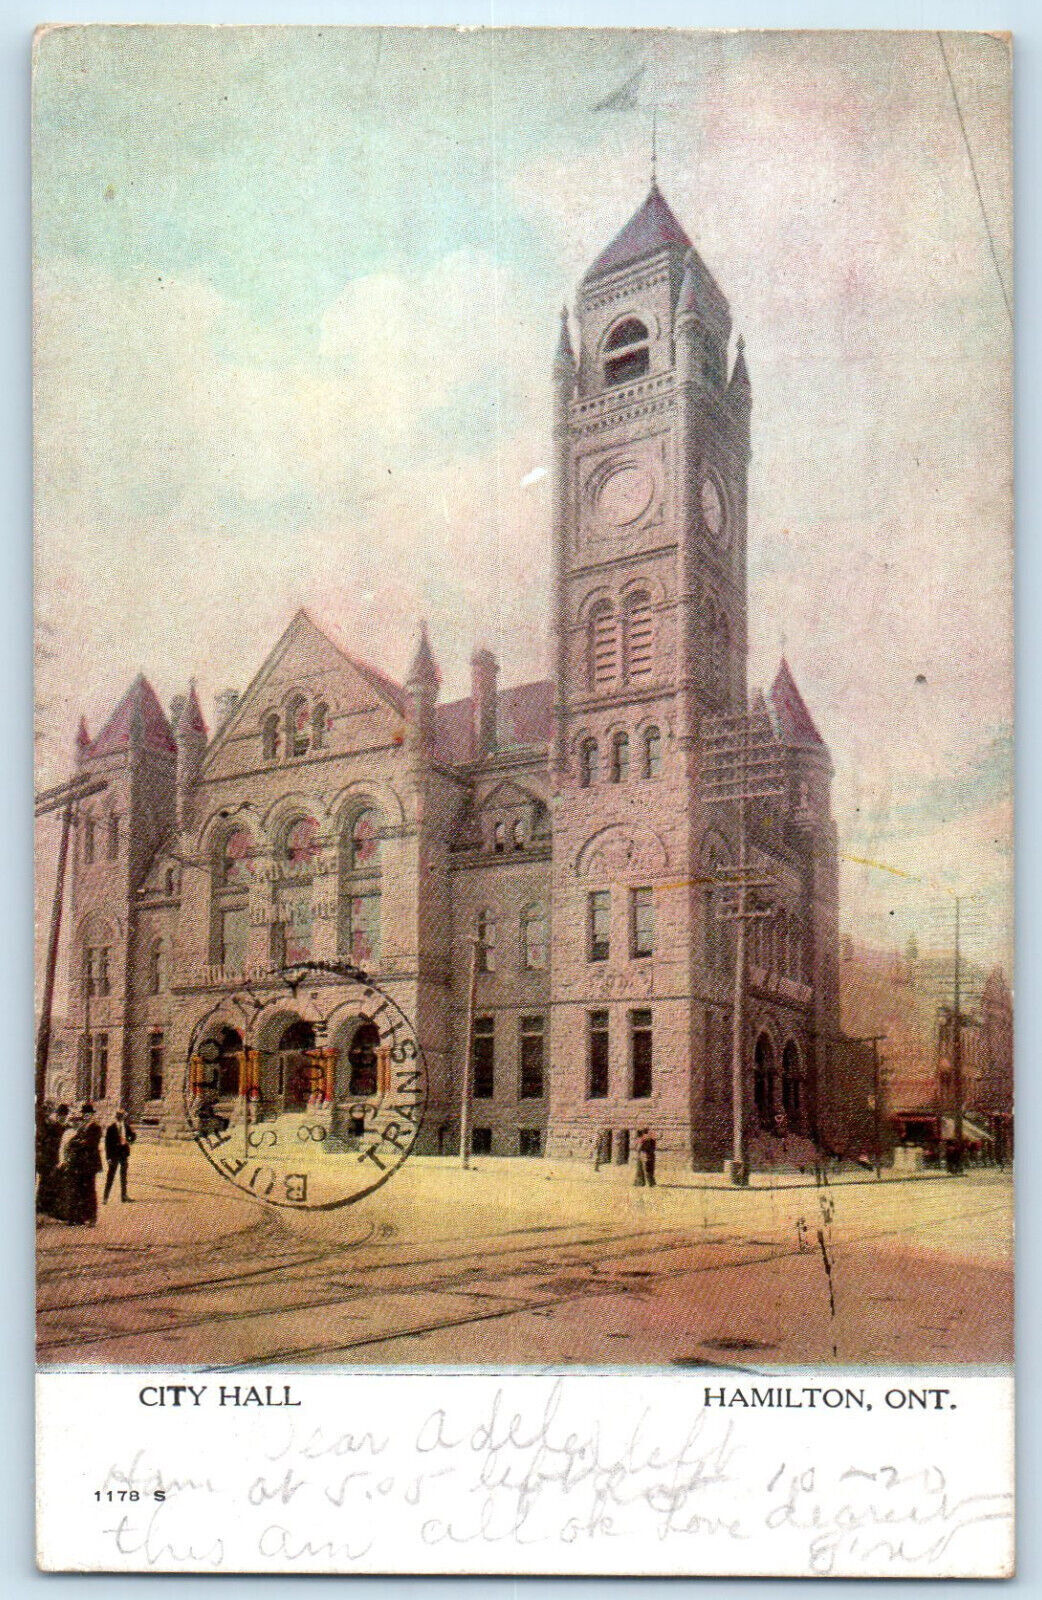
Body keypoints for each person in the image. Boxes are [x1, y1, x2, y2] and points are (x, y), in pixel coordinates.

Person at [62, 1103, 104, 1226]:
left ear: (92, 1115)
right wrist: (79, 1142)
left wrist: (79, 1143)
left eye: (89, 1114)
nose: (86, 1116)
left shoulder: (96, 1127)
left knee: (90, 1190)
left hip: (90, 1164)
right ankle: (80, 1217)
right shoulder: (82, 1127)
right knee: (79, 1190)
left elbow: (90, 1144)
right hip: (80, 1163)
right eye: (85, 1114)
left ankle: (92, 1218)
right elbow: (73, 1142)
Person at [36, 1103, 70, 1219]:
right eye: (60, 1115)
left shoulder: (59, 1126)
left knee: (53, 1185)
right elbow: (45, 1143)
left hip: (55, 1160)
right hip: (47, 1160)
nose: (62, 1117)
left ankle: (51, 1212)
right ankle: (41, 1211)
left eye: (64, 1116)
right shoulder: (50, 1126)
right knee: (45, 1185)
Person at [103, 1108, 137, 1203]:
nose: (120, 1118)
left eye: (122, 1116)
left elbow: (132, 1136)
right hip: (114, 1155)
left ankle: (124, 1196)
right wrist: (108, 1157)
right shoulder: (111, 1128)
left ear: (123, 1117)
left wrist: (130, 1139)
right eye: (118, 1116)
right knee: (110, 1176)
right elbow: (107, 1144)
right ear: (116, 1117)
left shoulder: (126, 1126)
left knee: (123, 1176)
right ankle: (105, 1197)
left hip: (123, 1154)